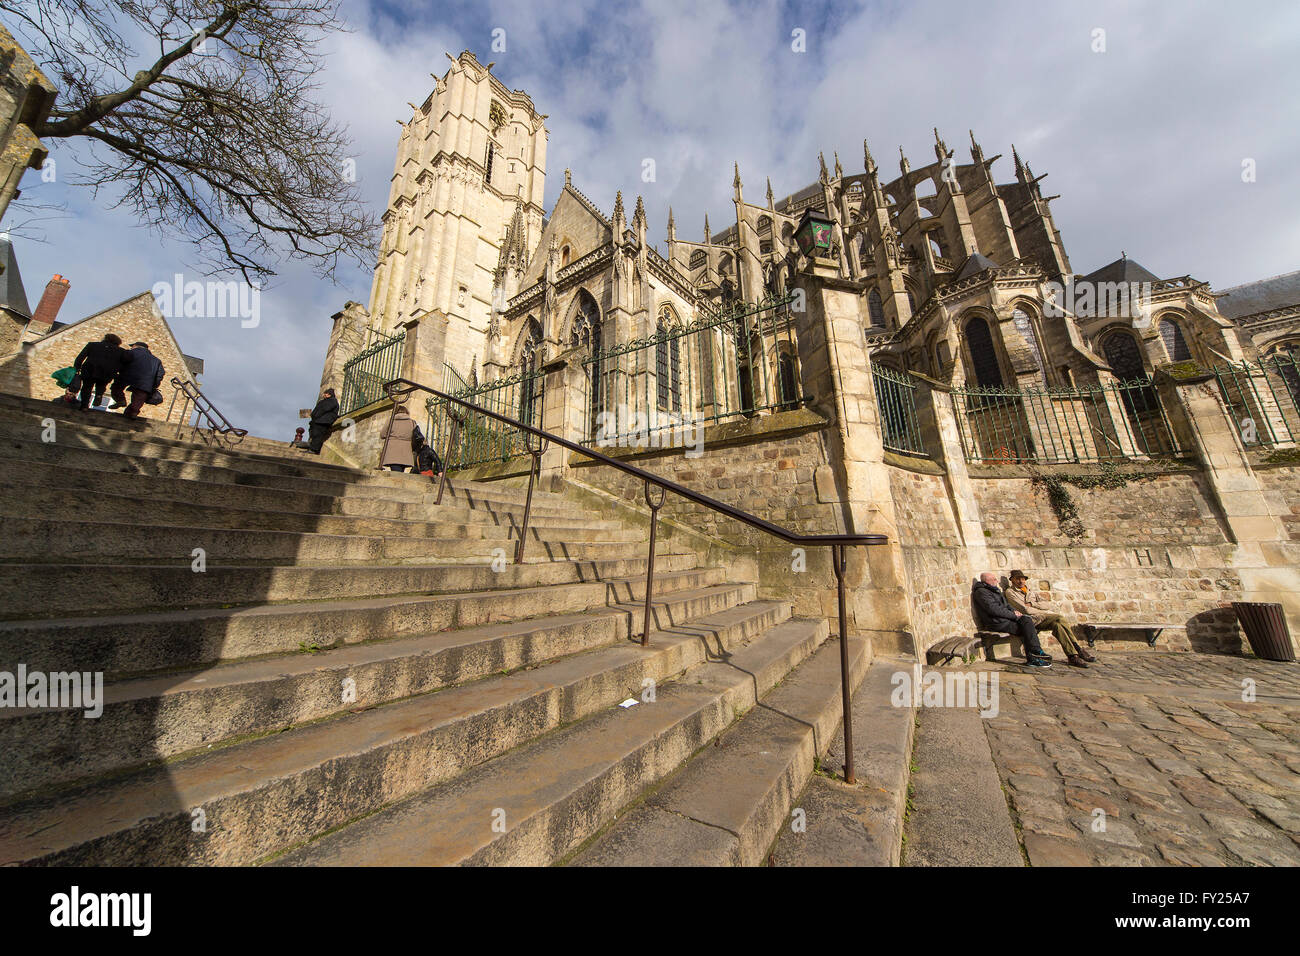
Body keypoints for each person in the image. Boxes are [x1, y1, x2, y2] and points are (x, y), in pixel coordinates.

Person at [1004, 570, 1096, 668]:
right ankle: (1078, 649)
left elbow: (1047, 604)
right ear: (1012, 580)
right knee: (1060, 617)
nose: (1021, 581)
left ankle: (1072, 656)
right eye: (1018, 579)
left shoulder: (1030, 591)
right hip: (1030, 621)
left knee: (1058, 626)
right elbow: (1025, 609)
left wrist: (1033, 604)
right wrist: (1040, 610)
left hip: (1041, 618)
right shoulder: (1010, 592)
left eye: (1023, 579)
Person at [971, 571, 1052, 668]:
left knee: (1026, 620)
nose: (996, 581)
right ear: (987, 581)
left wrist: (1015, 612)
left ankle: (1036, 652)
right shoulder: (981, 592)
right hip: (996, 623)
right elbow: (994, 610)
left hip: (1004, 620)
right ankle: (1034, 656)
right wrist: (1014, 615)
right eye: (994, 579)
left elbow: (1007, 605)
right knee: (1027, 628)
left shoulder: (994, 590)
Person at [73, 333, 128, 410]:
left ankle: (84, 405)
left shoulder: (92, 345)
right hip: (107, 372)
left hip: (90, 369)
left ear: (105, 339)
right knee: (101, 385)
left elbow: (80, 357)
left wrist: (77, 367)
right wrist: (118, 372)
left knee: (87, 387)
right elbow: (124, 364)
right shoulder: (121, 351)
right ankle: (99, 395)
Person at [115, 341, 164, 419]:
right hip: (145, 382)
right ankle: (133, 412)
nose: (131, 348)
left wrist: (118, 372)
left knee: (117, 387)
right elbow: (160, 374)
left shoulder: (131, 353)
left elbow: (121, 362)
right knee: (139, 398)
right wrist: (153, 385)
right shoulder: (156, 360)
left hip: (127, 375)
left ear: (135, 346)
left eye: (132, 346)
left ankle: (121, 400)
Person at [379, 404, 416, 472]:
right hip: (406, 450)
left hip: (393, 449)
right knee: (401, 471)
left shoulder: (391, 420)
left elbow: (383, 434)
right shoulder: (412, 422)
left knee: (395, 471)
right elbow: (415, 436)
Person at [307, 388, 339, 454]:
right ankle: (311, 447)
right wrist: (313, 416)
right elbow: (316, 410)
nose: (324, 394)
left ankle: (314, 449)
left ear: (329, 394)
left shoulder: (332, 401)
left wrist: (316, 415)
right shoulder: (323, 401)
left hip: (323, 421)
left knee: (318, 434)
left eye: (325, 393)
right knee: (314, 433)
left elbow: (324, 409)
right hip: (318, 420)